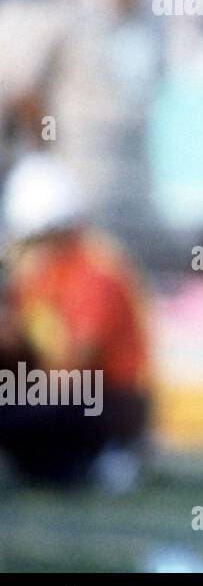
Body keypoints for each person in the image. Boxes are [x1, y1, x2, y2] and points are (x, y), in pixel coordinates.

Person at [0, 153, 152, 490]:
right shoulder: (41, 275)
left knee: (26, 411)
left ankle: (107, 456)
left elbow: (76, 368)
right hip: (69, 391)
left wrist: (20, 396)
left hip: (109, 398)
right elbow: (28, 351)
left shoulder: (96, 271)